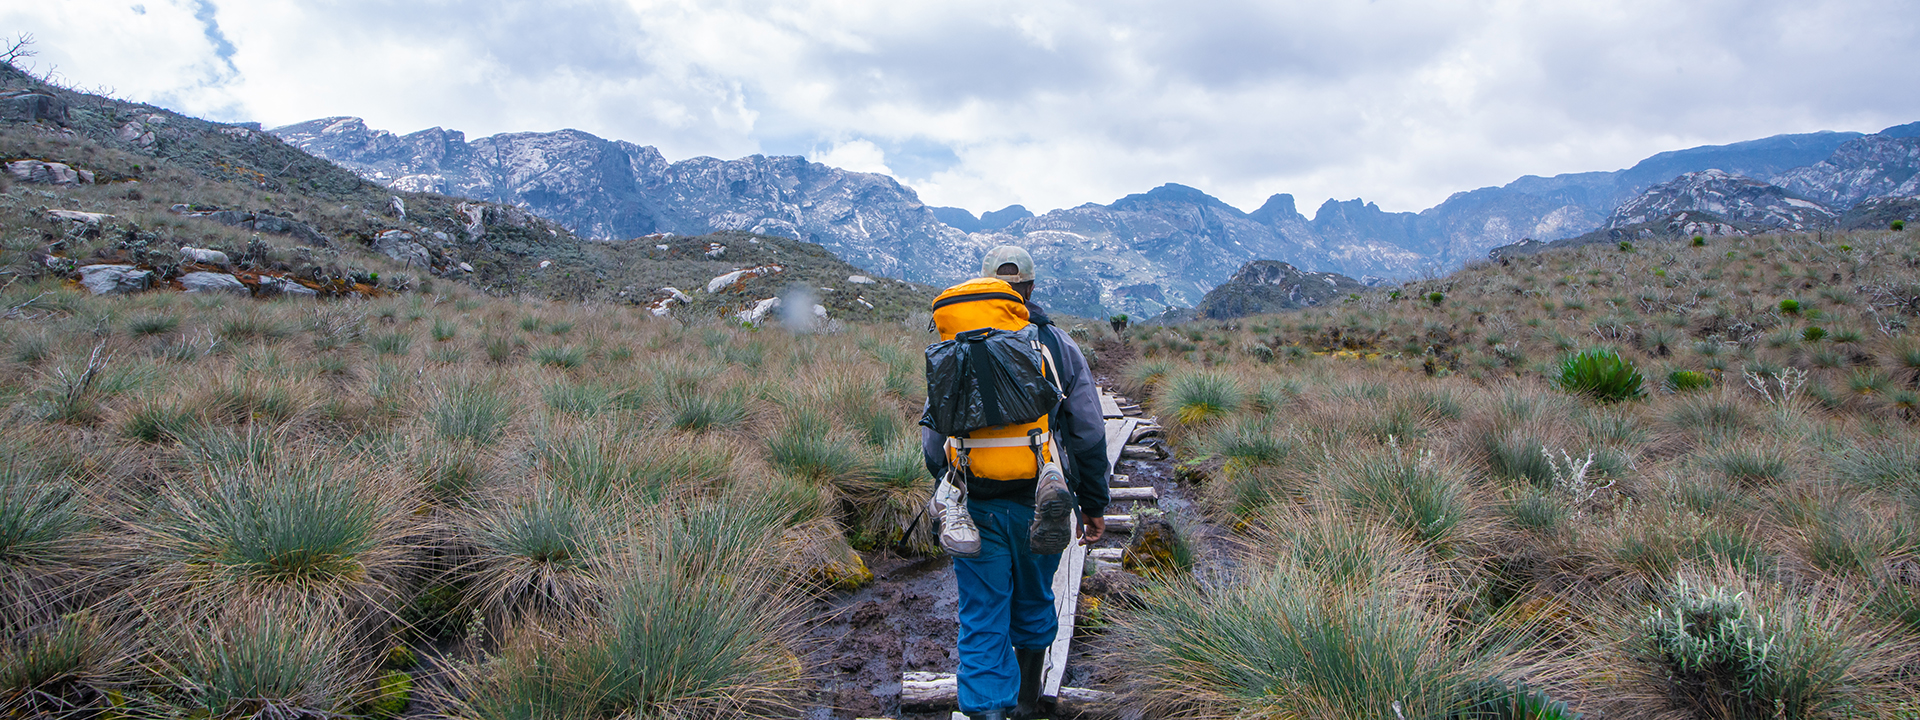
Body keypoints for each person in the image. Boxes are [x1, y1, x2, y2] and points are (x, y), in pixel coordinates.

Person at [922, 246, 1111, 720]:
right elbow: (1087, 428)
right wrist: (1093, 502)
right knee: (1034, 598)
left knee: (983, 613)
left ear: (984, 285)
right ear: (1029, 288)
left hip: (975, 504)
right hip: (1038, 496)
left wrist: (952, 484)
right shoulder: (1053, 343)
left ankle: (987, 713)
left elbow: (932, 441)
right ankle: (1027, 705)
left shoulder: (954, 345)